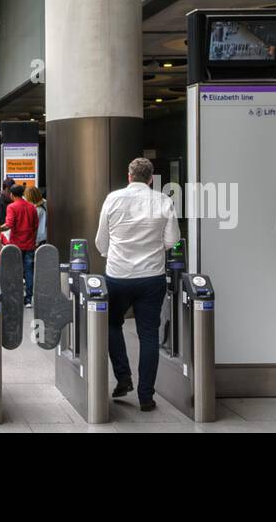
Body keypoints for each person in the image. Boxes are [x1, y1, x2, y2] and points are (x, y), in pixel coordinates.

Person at [95, 157, 180, 411]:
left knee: (111, 322)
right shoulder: (164, 201)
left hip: (118, 275)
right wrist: (152, 248)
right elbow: (172, 240)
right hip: (151, 277)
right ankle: (146, 397)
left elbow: (101, 241)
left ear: (129, 176)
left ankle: (123, 377)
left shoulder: (113, 199)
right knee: (149, 335)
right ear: (151, 178)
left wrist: (112, 253)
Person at [3, 184, 39, 306]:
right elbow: (35, 226)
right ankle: (28, 299)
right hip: (29, 244)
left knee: (16, 271)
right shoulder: (32, 207)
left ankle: (16, 297)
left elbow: (8, 225)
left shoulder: (11, 207)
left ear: (12, 195)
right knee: (29, 271)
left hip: (15, 245)